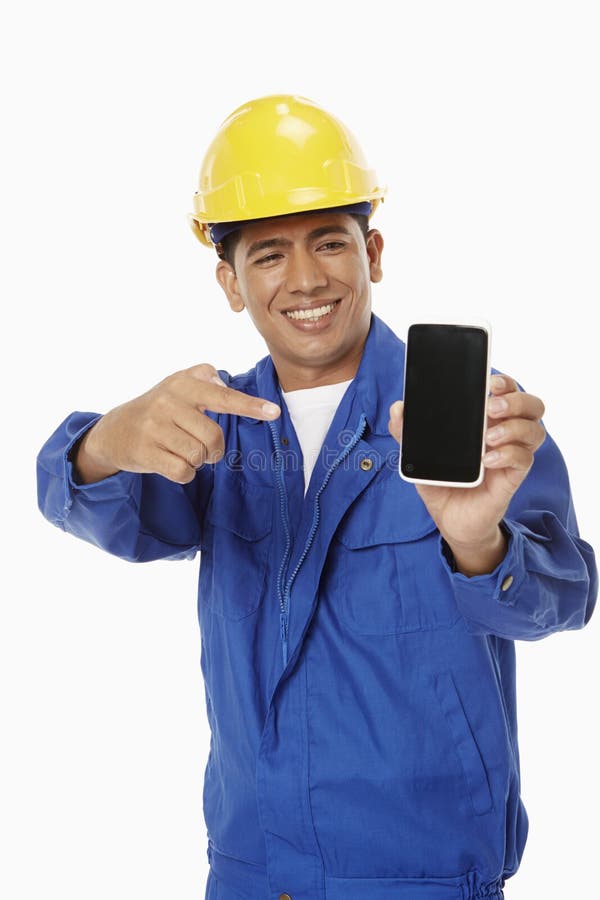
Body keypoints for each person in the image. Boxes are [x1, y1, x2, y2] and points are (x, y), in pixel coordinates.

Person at [37, 94, 597, 900]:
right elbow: (108, 513)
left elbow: (562, 599)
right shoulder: (216, 428)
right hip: (254, 873)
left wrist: (479, 543)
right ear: (230, 282)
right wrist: (104, 442)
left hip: (425, 876)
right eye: (268, 254)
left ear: (373, 251)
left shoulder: (468, 415)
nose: (305, 279)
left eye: (330, 242)